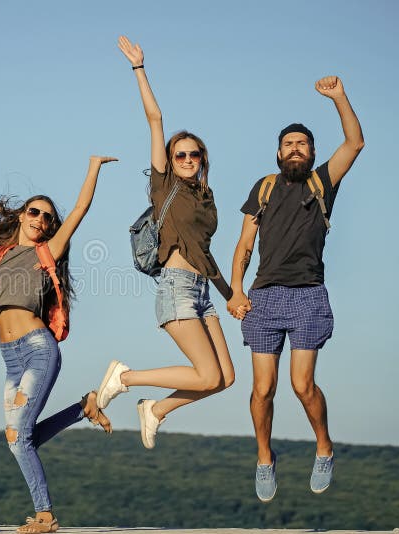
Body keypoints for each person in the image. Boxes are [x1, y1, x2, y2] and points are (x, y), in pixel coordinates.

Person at [0, 155, 116, 533]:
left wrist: (92, 167)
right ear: (22, 215)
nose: (41, 220)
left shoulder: (46, 253)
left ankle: (45, 516)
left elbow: (82, 209)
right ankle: (84, 408)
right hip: (11, 358)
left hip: (39, 348)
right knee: (20, 438)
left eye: (48, 217)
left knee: (18, 437)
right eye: (35, 212)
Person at [226, 76, 364, 502]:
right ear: (279, 152)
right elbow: (244, 244)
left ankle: (324, 446)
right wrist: (236, 290)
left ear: (313, 153)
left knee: (302, 385)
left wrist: (339, 97)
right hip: (264, 297)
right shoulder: (264, 187)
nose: (295, 149)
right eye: (289, 144)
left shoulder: (322, 182)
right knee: (263, 389)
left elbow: (355, 143)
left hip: (307, 295)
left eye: (302, 144)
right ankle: (265, 458)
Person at [95, 36, 235, 450]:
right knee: (206, 375)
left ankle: (155, 410)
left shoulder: (206, 199)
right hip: (175, 287)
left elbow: (205, 255)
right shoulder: (164, 186)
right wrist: (140, 68)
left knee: (224, 378)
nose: (188, 160)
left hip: (203, 291)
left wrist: (232, 294)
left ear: (203, 159)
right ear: (171, 161)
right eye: (181, 155)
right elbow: (155, 119)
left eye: (195, 155)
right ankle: (126, 378)